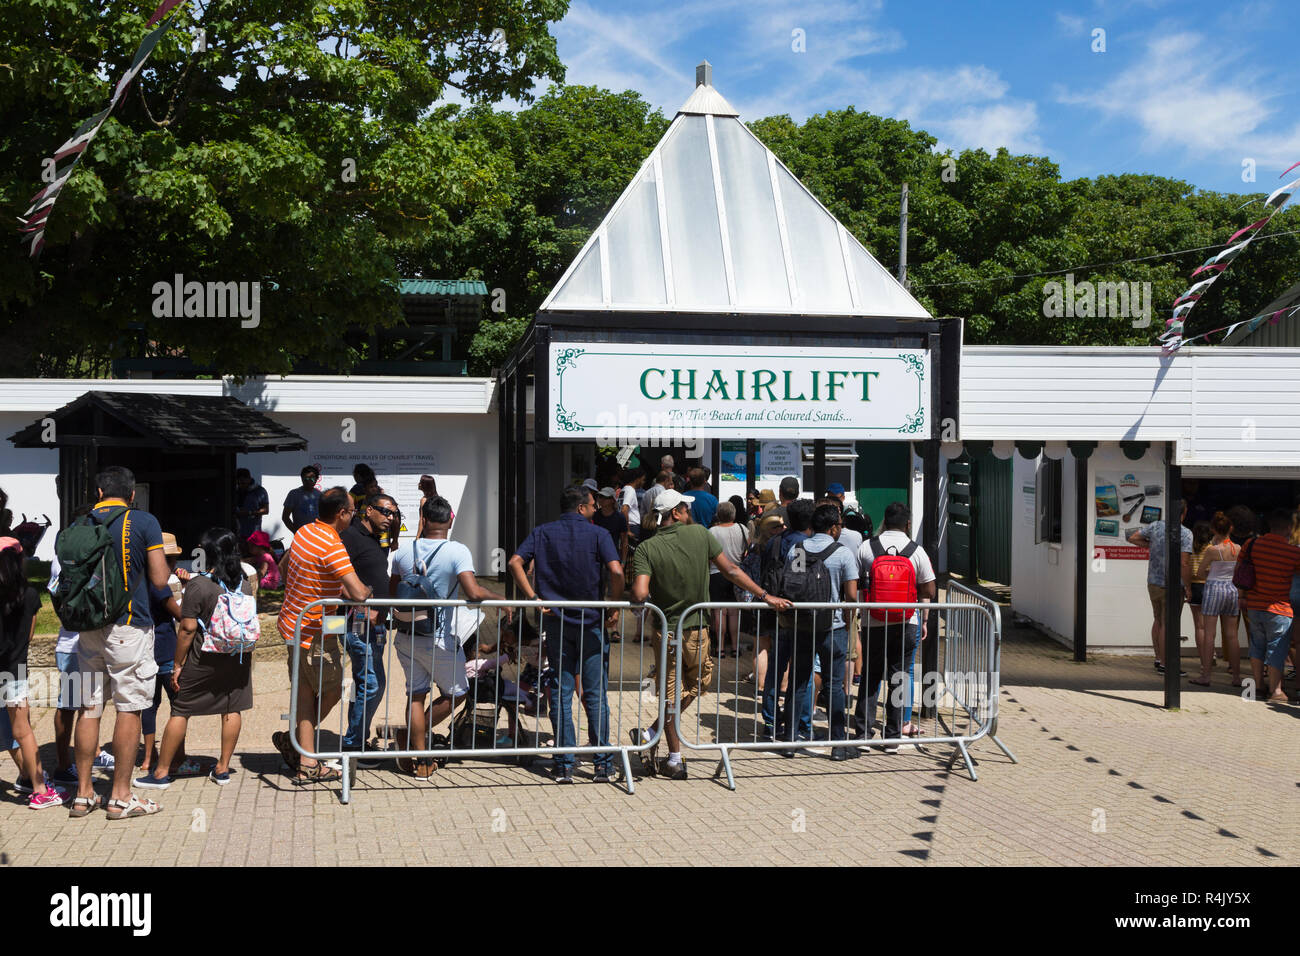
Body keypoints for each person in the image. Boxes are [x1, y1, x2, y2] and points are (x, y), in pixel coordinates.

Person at [630, 490, 788, 779]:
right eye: (684, 507)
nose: (688, 511)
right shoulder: (700, 535)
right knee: (697, 685)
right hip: (697, 629)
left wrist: (640, 597)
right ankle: (673, 757)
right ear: (675, 513)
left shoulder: (646, 549)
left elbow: (640, 592)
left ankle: (653, 734)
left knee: (672, 694)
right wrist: (764, 595)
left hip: (665, 629)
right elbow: (730, 570)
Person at [65, 467, 170, 820]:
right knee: (130, 708)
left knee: (89, 708)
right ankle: (121, 797)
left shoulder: (80, 523)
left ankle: (83, 795)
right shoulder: (144, 522)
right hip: (129, 626)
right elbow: (158, 579)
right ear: (132, 494)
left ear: (98, 492)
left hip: (88, 627)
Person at [509, 486, 624, 783]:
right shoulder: (598, 534)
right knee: (595, 693)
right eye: (592, 505)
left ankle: (564, 764)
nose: (595, 510)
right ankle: (602, 764)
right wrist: (614, 604)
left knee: (560, 691)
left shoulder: (542, 532)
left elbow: (514, 562)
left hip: (556, 622)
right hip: (591, 622)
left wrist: (534, 597)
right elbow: (616, 570)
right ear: (582, 508)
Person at [137, 528, 257, 789]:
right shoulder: (244, 585)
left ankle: (161, 774)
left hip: (204, 657)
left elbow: (188, 629)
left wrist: (178, 665)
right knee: (231, 708)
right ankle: (223, 768)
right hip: (236, 657)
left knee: (181, 710)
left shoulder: (199, 585)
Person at [390, 496, 496, 776]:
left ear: (423, 520)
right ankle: (419, 748)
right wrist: (502, 599)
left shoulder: (402, 553)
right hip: (440, 639)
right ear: (450, 519)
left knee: (415, 695)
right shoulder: (456, 551)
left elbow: (392, 594)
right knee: (457, 693)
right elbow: (473, 593)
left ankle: (417, 753)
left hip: (405, 636)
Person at [275, 487, 371, 784]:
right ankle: (301, 751)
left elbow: (283, 566)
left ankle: (305, 759)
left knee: (305, 695)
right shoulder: (332, 543)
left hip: (294, 626)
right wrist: (366, 591)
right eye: (352, 511)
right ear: (341, 513)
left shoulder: (305, 531)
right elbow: (358, 593)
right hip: (315, 633)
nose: (353, 516)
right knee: (332, 690)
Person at [779, 504, 859, 761]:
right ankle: (837, 745)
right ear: (834, 527)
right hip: (832, 627)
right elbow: (851, 596)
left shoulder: (797, 550)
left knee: (798, 681)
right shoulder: (843, 553)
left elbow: (795, 584)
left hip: (802, 625)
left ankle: (790, 741)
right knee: (835, 685)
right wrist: (848, 622)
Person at [855, 502, 936, 751]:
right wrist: (923, 620)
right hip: (906, 621)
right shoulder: (916, 551)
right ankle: (892, 736)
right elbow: (929, 589)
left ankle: (862, 733)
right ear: (908, 524)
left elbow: (857, 585)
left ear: (885, 521)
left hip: (873, 621)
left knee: (871, 675)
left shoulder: (867, 547)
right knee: (899, 676)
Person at [0, 538, 66, 809]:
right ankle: (40, 788)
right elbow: (28, 635)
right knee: (23, 731)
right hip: (14, 672)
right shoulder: (29, 596)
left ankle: (31, 782)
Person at [339, 492, 397, 763]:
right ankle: (353, 746)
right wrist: (362, 607)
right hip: (357, 624)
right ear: (368, 510)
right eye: (386, 512)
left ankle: (355, 739)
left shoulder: (378, 539)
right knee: (372, 684)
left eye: (394, 514)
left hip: (376, 625)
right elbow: (337, 579)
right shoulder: (350, 537)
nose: (391, 518)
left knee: (369, 683)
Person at [139, 533, 196, 777]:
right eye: (169, 560)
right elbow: (181, 615)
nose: (173, 565)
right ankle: (177, 758)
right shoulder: (160, 586)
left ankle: (147, 758)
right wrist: (186, 589)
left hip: (145, 650)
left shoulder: (139, 581)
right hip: (165, 651)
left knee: (149, 706)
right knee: (179, 708)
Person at [760, 498, 814, 737]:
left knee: (776, 668)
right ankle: (801, 722)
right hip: (797, 615)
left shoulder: (774, 541)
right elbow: (800, 579)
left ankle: (770, 720)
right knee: (803, 672)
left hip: (776, 610)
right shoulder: (803, 545)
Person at [1240, 508, 1300, 703]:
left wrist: (1242, 596)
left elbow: (1240, 570)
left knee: (1257, 646)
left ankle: (1257, 687)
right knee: (1277, 649)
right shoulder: (1293, 552)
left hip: (1255, 605)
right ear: (1289, 528)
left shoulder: (1251, 544)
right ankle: (1276, 691)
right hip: (1280, 608)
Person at [1127, 500, 1192, 675]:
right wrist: (1188, 586)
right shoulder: (1185, 533)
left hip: (1153, 582)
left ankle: (1158, 658)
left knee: (1158, 620)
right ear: (1184, 513)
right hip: (1172, 584)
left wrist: (1152, 545)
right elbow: (1184, 563)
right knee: (1168, 624)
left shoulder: (1155, 526)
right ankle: (1166, 664)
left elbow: (1132, 537)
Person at [1199, 511, 1242, 687]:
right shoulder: (1238, 549)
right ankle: (1237, 677)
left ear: (1213, 530)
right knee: (1232, 635)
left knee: (1210, 634)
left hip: (1214, 589)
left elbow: (1200, 572)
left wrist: (1212, 572)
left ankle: (1206, 675)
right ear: (1230, 528)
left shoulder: (1212, 550)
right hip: (1231, 589)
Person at [708, 500, 748, 658]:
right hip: (737, 573)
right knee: (734, 612)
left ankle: (720, 648)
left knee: (719, 612)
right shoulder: (742, 529)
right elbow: (747, 549)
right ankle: (735, 647)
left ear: (718, 514)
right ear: (734, 514)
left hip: (716, 573)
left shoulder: (712, 531)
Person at [1187, 521, 1215, 686]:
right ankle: (1210, 656)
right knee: (1210, 627)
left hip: (1195, 587)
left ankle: (1203, 660)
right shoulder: (1211, 549)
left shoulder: (1190, 548)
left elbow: (1188, 569)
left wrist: (1188, 587)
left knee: (1199, 626)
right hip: (1210, 586)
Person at [592, 487, 630, 566]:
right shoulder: (594, 516)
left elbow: (624, 541)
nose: (601, 499)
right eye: (600, 497)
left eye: (605, 497)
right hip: (596, 558)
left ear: (613, 500)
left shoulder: (620, 518)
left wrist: (623, 562)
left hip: (612, 558)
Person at [282, 465, 323, 534]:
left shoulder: (320, 495)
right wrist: (296, 532)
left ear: (316, 479)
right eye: (306, 478)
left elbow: (324, 517)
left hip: (317, 535)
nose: (309, 481)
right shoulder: (293, 494)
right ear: (301, 478)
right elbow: (285, 517)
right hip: (301, 535)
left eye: (312, 478)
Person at [233, 468, 269, 540]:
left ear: (249, 479)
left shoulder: (260, 491)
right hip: (237, 533)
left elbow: (266, 510)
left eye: (243, 483)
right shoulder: (236, 491)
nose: (241, 486)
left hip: (254, 533)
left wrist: (249, 513)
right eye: (238, 483)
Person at [619, 467, 644, 542]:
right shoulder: (630, 490)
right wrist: (628, 530)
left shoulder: (624, 489)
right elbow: (624, 509)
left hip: (624, 524)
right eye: (643, 479)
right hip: (631, 526)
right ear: (637, 479)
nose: (643, 482)